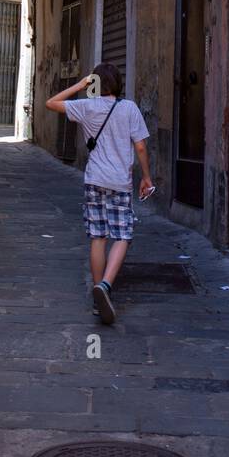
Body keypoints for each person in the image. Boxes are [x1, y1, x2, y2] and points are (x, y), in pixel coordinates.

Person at [46, 63, 153, 325]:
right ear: (117, 83)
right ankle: (105, 285)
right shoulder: (129, 108)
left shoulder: (87, 107)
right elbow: (140, 147)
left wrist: (80, 86)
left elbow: (51, 103)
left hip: (94, 180)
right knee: (123, 235)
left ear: (94, 84)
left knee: (98, 237)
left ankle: (98, 298)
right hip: (120, 182)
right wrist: (147, 177)